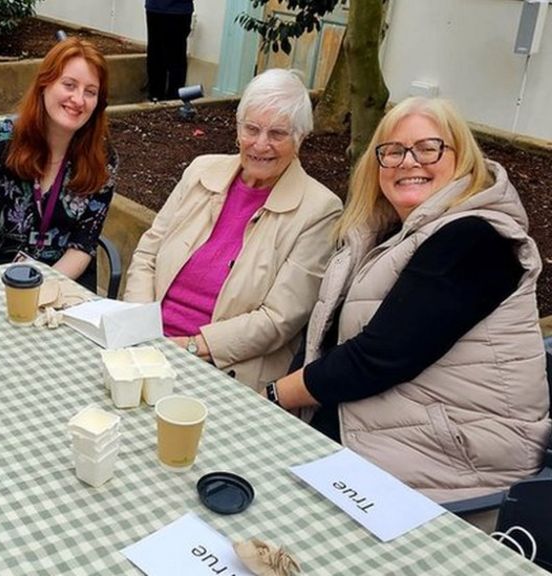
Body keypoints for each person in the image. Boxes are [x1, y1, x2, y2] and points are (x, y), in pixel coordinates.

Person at [267, 97, 550, 505]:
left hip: (451, 459)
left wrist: (273, 396)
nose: (408, 162)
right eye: (393, 151)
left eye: (428, 148)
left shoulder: (476, 238)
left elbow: (377, 358)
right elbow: (324, 335)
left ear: (463, 159)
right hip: (384, 423)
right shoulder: (380, 234)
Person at [124, 69, 342, 390]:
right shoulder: (201, 171)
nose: (261, 144)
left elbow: (278, 319)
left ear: (300, 139)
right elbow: (148, 253)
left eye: (278, 133)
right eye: (251, 129)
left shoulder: (319, 210)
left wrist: (190, 347)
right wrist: (141, 325)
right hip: (147, 341)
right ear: (238, 129)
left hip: (221, 367)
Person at [0, 37, 117, 291]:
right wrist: (3, 292)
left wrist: (42, 292)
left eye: (90, 92)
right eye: (69, 85)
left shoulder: (102, 158)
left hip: (62, 281)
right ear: (45, 83)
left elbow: (83, 244)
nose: (78, 99)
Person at [145, 0, 194, 101]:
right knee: (160, 55)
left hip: (175, 11)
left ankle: (164, 96)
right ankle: (161, 95)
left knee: (166, 55)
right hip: (161, 10)